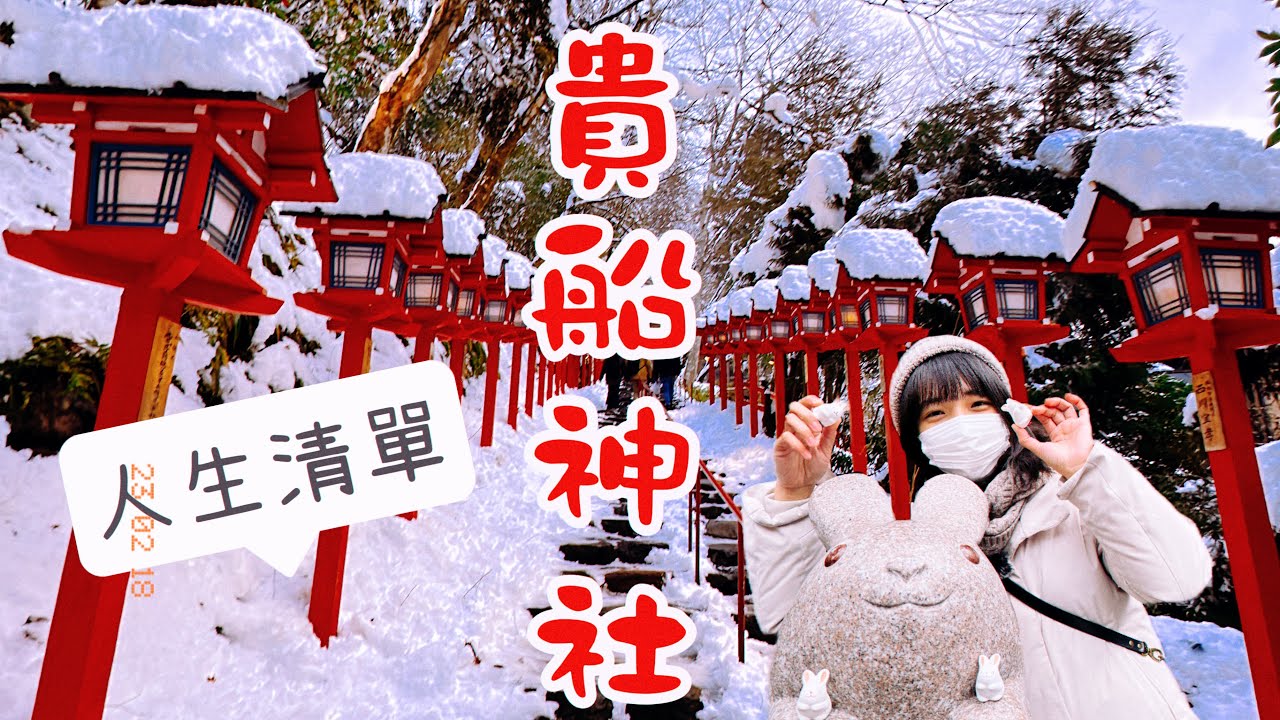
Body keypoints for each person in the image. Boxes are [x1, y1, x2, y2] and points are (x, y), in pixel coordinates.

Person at [742, 335, 1211, 720]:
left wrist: (1088, 470)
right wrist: (794, 494)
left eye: (977, 404)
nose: (960, 423)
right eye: (936, 414)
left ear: (1006, 415)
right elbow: (791, 620)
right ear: (918, 439)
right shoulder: (905, 544)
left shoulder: (1074, 505)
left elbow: (1176, 578)